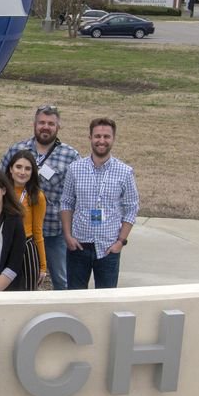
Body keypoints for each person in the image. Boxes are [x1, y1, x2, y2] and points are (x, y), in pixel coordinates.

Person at [0, 105, 80, 290]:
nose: (46, 127)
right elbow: (0, 181)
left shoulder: (70, 155)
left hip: (53, 231)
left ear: (58, 127)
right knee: (17, 277)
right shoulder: (17, 150)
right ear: (34, 124)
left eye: (51, 124)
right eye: (42, 122)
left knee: (61, 279)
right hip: (19, 232)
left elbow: (77, 194)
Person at [60, 117, 140, 290]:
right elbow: (66, 202)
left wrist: (120, 242)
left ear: (113, 139)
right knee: (75, 296)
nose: (101, 141)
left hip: (108, 248)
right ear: (90, 138)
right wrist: (67, 235)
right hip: (78, 245)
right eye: (97, 136)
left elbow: (132, 208)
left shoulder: (125, 172)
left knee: (106, 300)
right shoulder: (75, 169)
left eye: (106, 136)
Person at [5, 149, 47, 285]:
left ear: (32, 172)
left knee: (27, 292)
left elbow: (38, 231)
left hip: (26, 248)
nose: (22, 172)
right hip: (3, 245)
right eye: (18, 167)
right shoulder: (1, 191)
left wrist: (43, 266)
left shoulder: (36, 196)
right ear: (11, 169)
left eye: (27, 169)